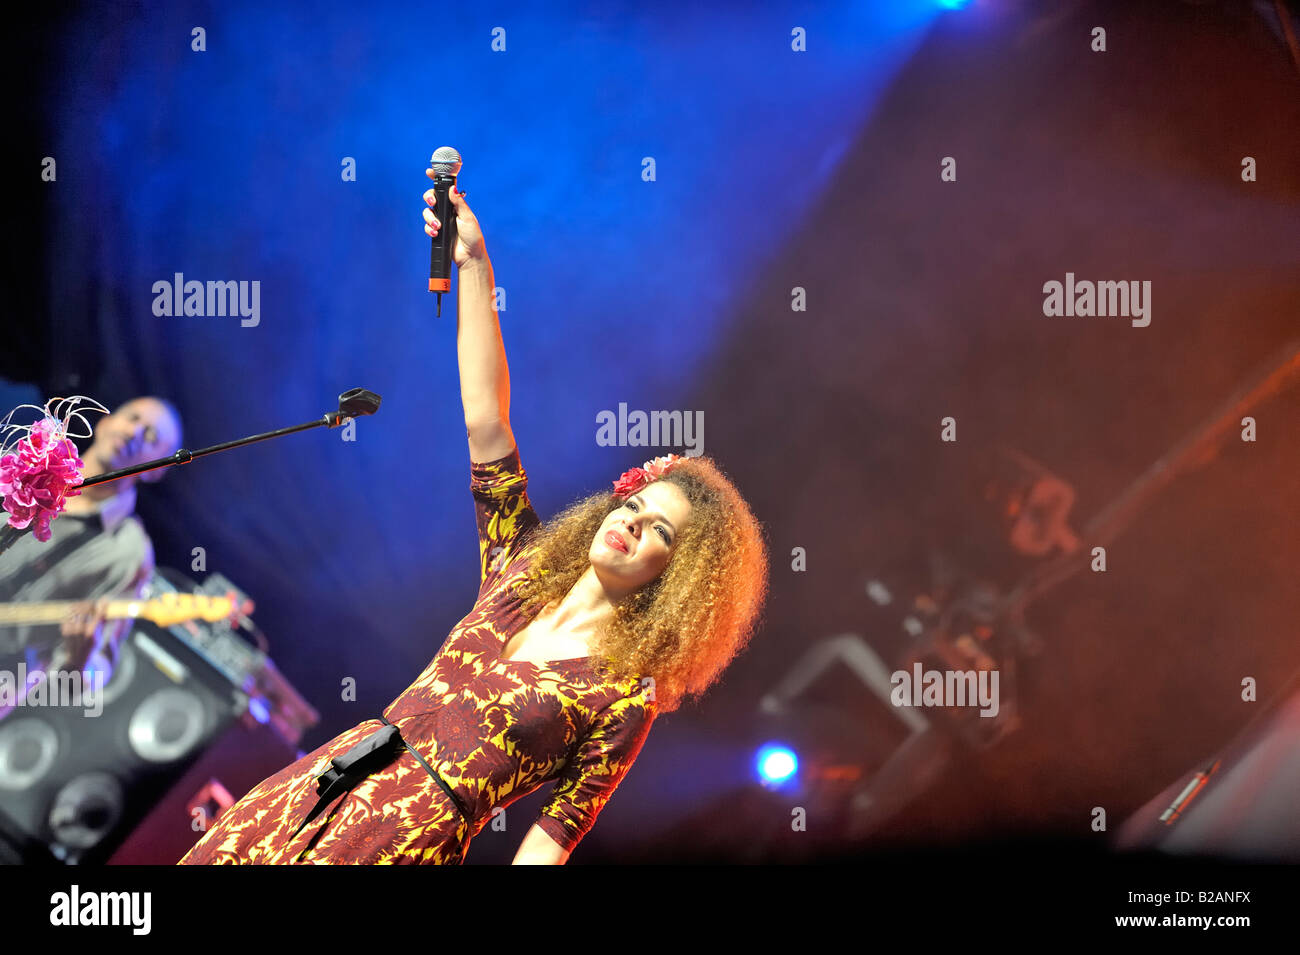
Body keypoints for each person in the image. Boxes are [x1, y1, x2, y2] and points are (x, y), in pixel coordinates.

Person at [177, 174, 769, 865]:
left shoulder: (622, 694)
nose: (633, 522)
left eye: (659, 532)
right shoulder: (519, 568)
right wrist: (475, 264)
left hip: (403, 842)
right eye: (635, 504)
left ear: (678, 580)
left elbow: (553, 838)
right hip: (322, 781)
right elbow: (486, 416)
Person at [0, 396, 184, 713]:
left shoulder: (129, 552)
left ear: (158, 470)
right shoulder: (23, 466)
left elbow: (93, 673)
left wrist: (79, 658)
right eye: (132, 417)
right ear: (104, 422)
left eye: (151, 436)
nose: (134, 432)